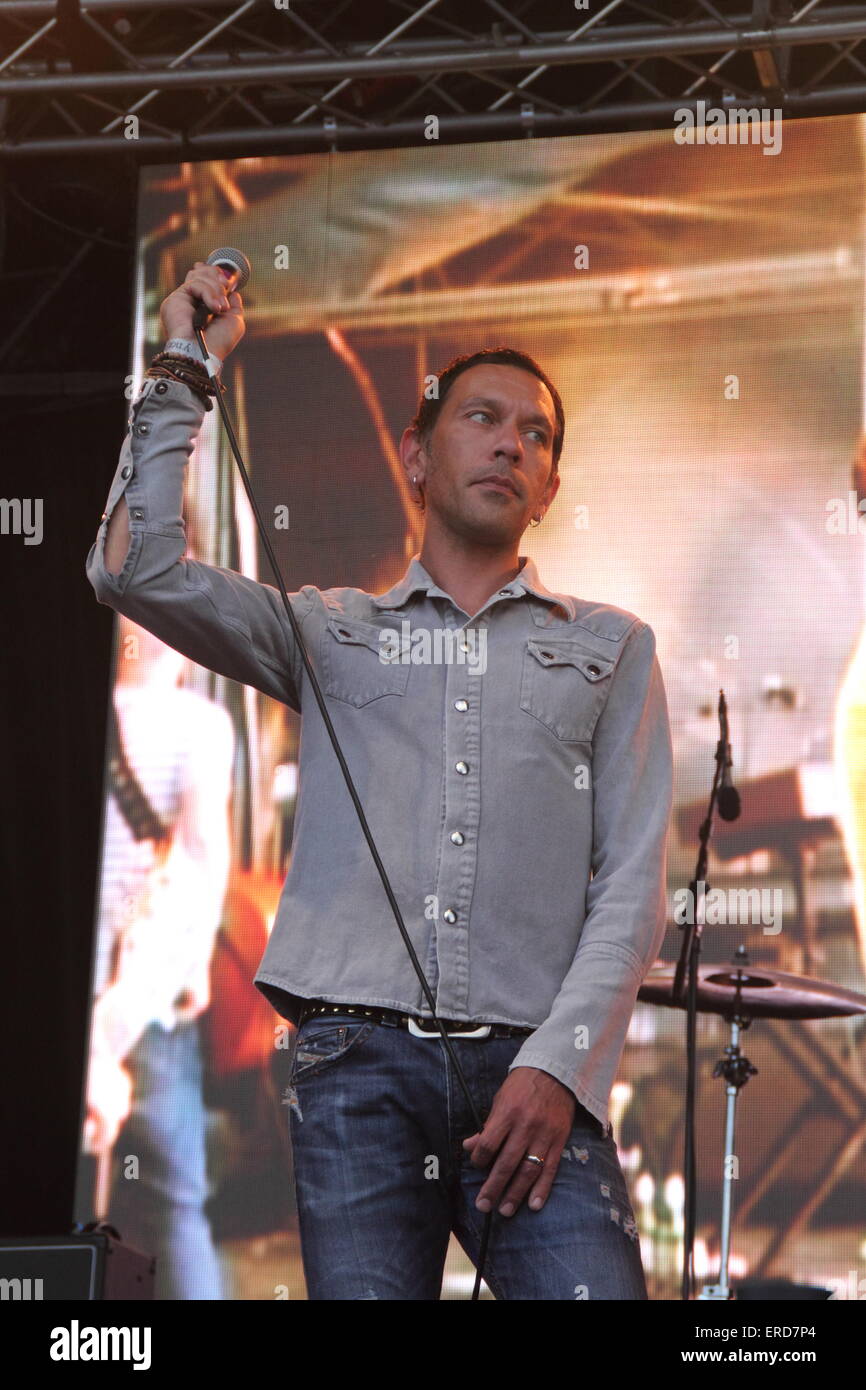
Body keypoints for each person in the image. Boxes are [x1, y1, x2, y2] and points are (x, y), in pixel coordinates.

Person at [86, 261, 673, 1300]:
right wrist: (182, 363)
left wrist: (559, 1063)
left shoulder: (613, 649)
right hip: (353, 1066)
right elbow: (133, 570)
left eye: (535, 436)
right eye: (483, 418)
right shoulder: (326, 630)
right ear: (413, 455)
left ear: (546, 490)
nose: (511, 442)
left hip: (532, 1074)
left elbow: (630, 888)